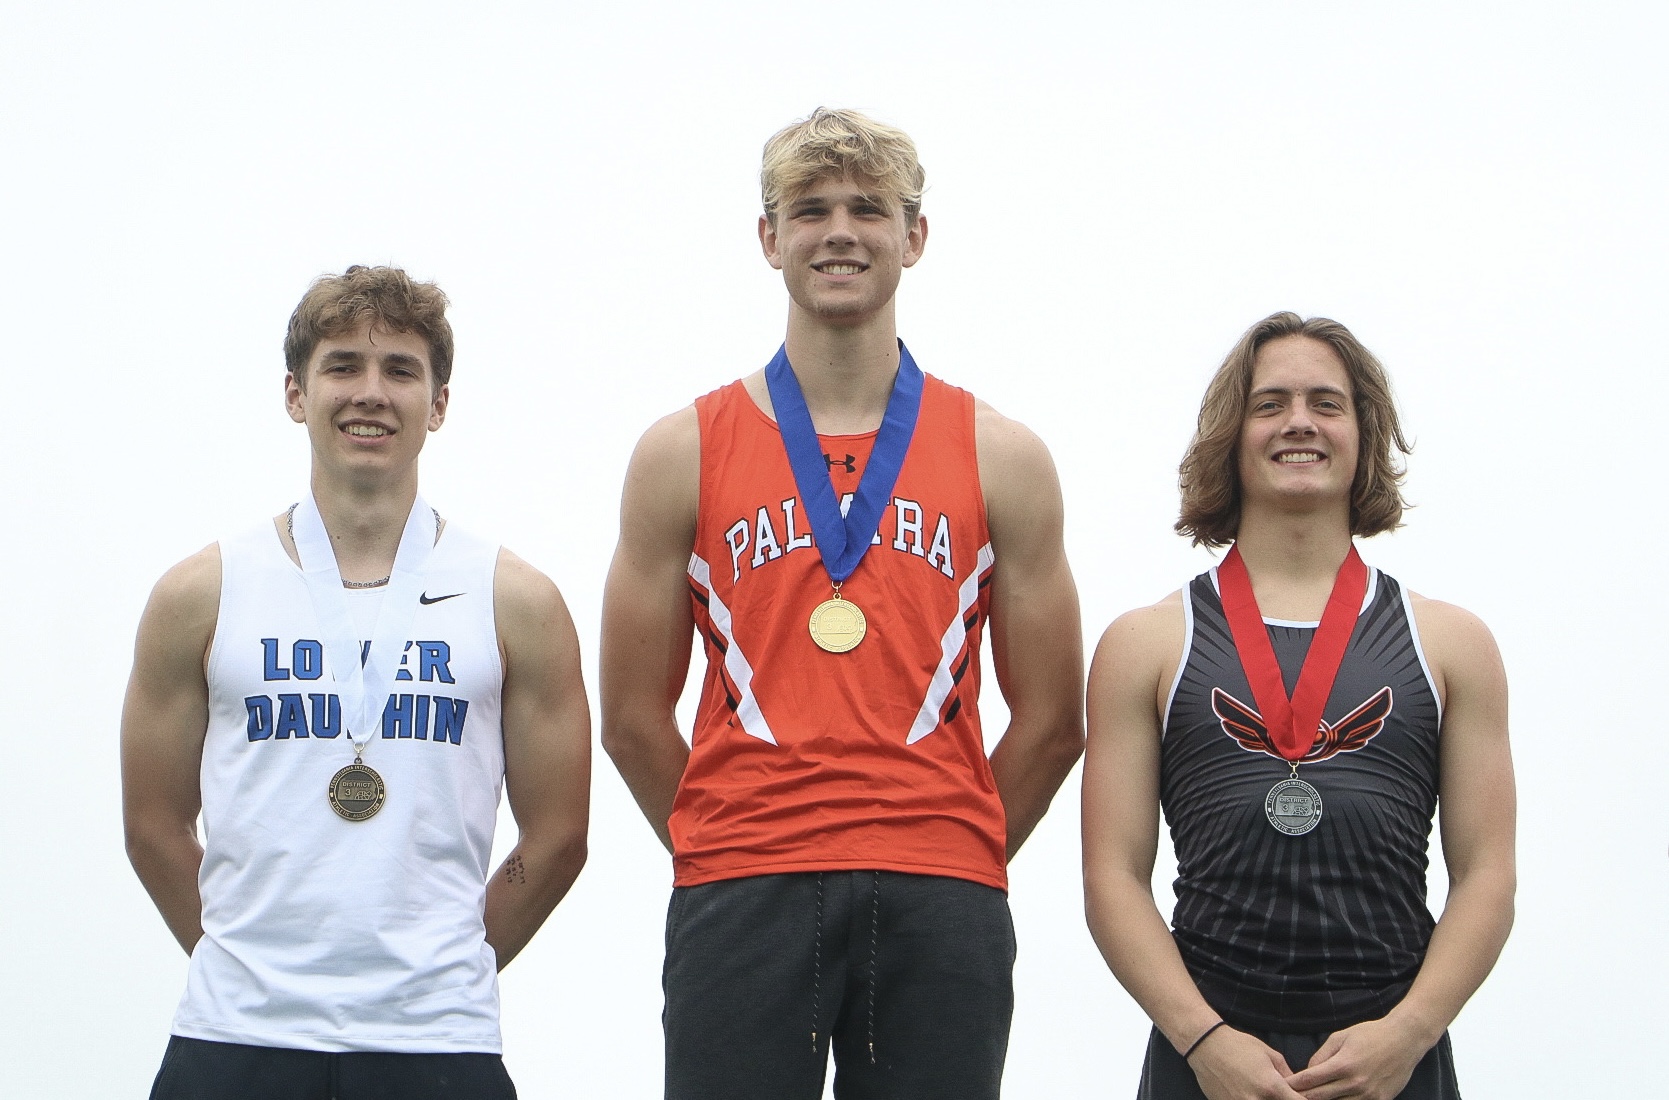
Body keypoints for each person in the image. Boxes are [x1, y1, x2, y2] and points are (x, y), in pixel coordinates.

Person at [601, 108, 1084, 1100]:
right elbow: (629, 716)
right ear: (768, 237)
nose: (839, 231)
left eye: (869, 208)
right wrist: (723, 837)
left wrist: (958, 844)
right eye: (809, 208)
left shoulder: (1002, 454)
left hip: (940, 888)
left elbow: (1050, 720)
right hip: (742, 880)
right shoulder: (680, 451)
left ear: (914, 236)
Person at [121, 265, 591, 1100]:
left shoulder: (516, 600)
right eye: (342, 366)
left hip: (438, 1044)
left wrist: (445, 966)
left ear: (438, 404)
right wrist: (249, 965)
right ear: (296, 394)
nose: (369, 392)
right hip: (234, 1040)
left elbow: (556, 838)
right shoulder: (199, 594)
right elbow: (153, 824)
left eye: (400, 370)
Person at [1084, 312, 1516, 1100]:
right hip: (1210, 1051)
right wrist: (1203, 1041)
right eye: (1269, 403)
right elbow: (1111, 876)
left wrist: (1408, 1035)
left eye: (1326, 403)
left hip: (1387, 1051)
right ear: (1231, 433)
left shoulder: (1451, 644)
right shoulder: (1144, 645)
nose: (1298, 423)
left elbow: (1486, 874)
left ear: (1362, 433)